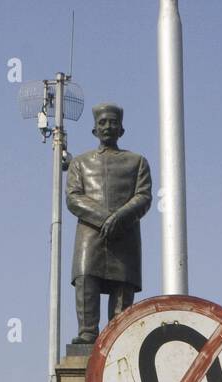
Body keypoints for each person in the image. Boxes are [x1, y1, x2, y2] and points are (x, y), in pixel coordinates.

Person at [66, 103, 152, 344]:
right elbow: (73, 198)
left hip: (125, 236)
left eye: (113, 122)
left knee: (122, 287)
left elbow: (143, 197)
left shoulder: (137, 162)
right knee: (86, 281)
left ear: (121, 130)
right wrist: (104, 218)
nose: (107, 127)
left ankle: (118, 335)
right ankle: (87, 332)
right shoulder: (80, 163)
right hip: (90, 234)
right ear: (94, 130)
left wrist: (120, 218)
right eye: (102, 123)